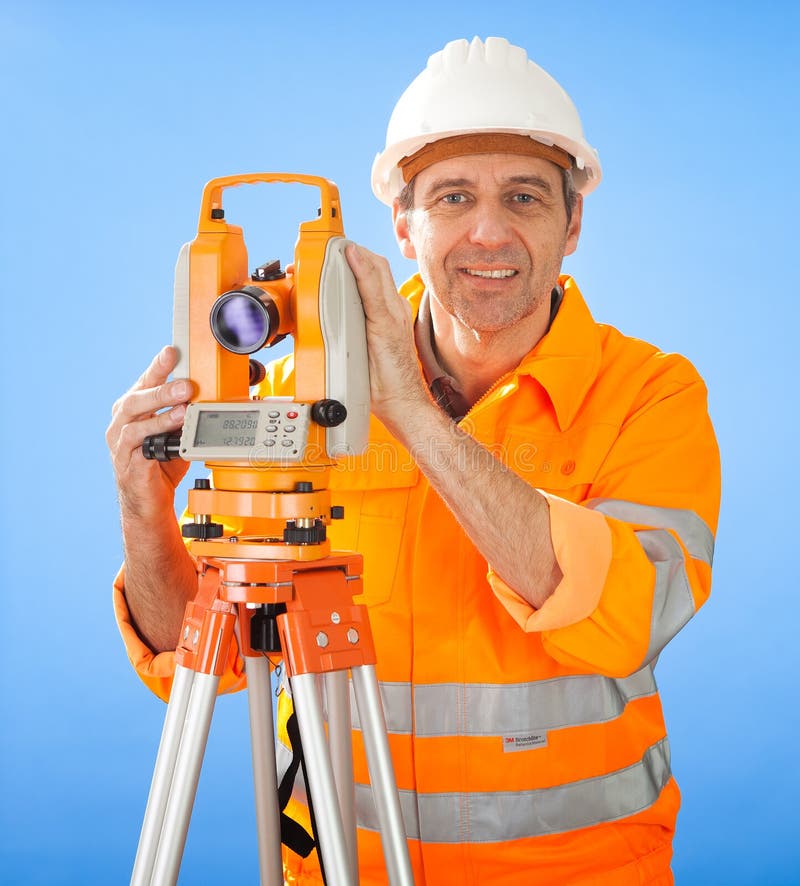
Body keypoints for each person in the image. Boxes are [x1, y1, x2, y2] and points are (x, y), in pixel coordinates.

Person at [107, 36, 720, 885]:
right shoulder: (293, 394)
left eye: (526, 197)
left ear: (573, 224)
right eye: (453, 197)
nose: (488, 232)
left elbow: (630, 620)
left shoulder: (650, 395)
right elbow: (200, 653)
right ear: (403, 225)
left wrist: (409, 413)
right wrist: (145, 513)